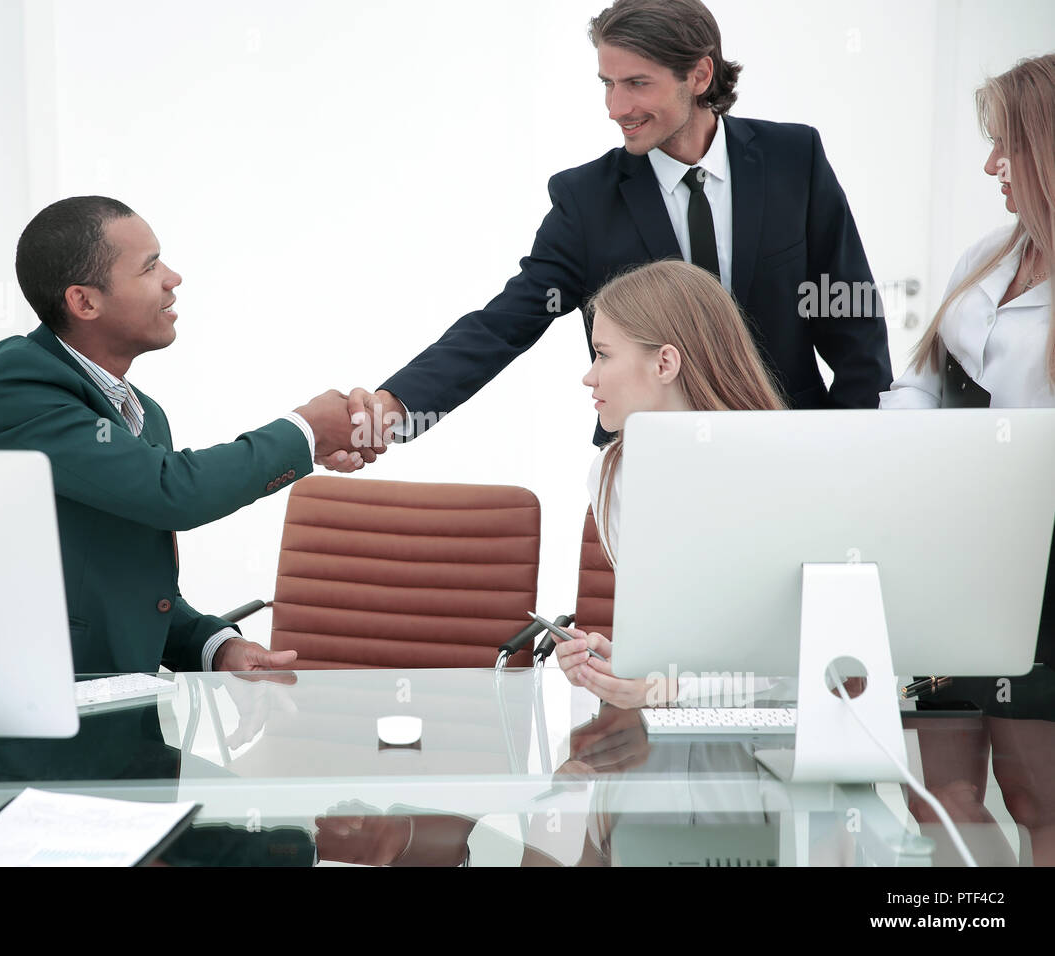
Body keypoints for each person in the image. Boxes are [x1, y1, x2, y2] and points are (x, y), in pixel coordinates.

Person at [329, 0, 891, 469]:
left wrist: (852, 450)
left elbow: (851, 316)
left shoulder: (795, 159)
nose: (615, 108)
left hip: (791, 449)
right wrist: (396, 405)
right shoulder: (586, 199)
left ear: (699, 75)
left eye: (637, 84)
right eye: (608, 84)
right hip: (650, 466)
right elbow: (504, 323)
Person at [0, 196, 356, 779]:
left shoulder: (140, 416)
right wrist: (307, 432)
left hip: (119, 735)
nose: (173, 279)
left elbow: (121, 586)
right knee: (278, 835)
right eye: (149, 267)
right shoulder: (16, 385)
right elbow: (175, 493)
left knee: (284, 836)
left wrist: (215, 648)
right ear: (84, 301)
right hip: (27, 758)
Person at [880, 54, 1055, 865]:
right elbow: (914, 379)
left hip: (1037, 565)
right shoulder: (989, 254)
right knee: (940, 796)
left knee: (1036, 796)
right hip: (948, 549)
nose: (992, 166)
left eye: (1007, 147)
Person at [552, 260, 785, 707]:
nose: (589, 375)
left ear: (664, 363)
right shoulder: (610, 475)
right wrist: (618, 665)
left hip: (768, 746)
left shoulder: (770, 472)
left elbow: (790, 668)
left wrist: (668, 691)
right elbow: (688, 649)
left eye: (602, 354)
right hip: (675, 739)